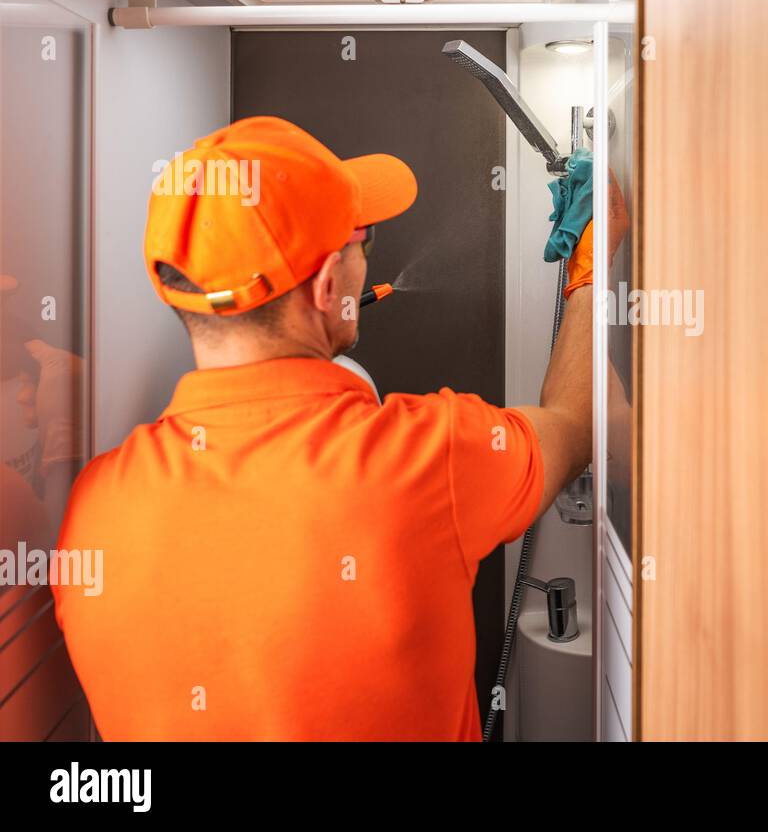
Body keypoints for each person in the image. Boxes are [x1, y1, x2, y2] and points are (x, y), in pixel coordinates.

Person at [52, 116, 626, 740]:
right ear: (329, 286)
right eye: (363, 242)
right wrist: (591, 270)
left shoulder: (95, 505)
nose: (365, 257)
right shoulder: (429, 459)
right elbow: (581, 421)